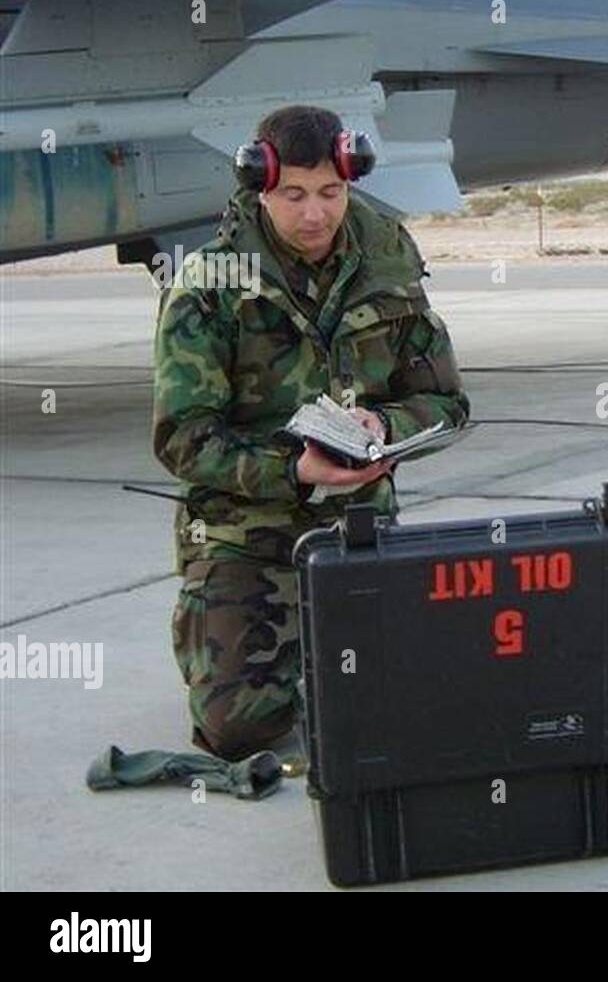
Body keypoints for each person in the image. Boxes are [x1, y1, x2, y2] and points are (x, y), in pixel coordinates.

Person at [152, 104, 469, 760]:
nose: (315, 214)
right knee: (241, 730)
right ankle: (232, 634)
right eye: (293, 195)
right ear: (261, 186)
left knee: (416, 708)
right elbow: (184, 438)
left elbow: (446, 404)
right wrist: (292, 468)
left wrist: (386, 425)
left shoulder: (389, 267)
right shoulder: (209, 286)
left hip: (358, 526)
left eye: (329, 192)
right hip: (246, 533)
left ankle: (317, 650)